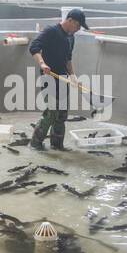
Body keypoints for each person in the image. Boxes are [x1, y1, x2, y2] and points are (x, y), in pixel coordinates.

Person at [28, 8, 90, 151]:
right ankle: (35, 145)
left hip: (63, 79)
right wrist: (42, 63)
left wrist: (73, 76)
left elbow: (68, 59)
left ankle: (57, 145)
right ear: (70, 21)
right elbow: (34, 47)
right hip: (48, 77)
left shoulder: (71, 37)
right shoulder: (51, 31)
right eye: (78, 26)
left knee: (61, 114)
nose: (78, 29)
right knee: (51, 112)